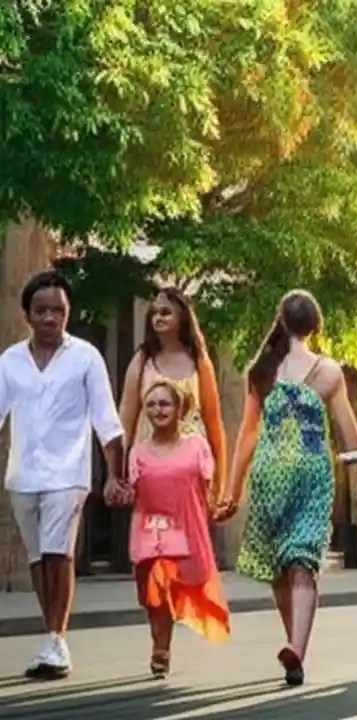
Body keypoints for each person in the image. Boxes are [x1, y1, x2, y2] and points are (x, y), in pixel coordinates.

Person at [213, 290, 357, 686]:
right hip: (310, 476)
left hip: (270, 476)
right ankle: (296, 647)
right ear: (316, 326)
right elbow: (351, 441)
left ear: (280, 321)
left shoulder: (263, 370)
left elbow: (248, 438)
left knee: (282, 567)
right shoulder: (328, 373)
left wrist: (232, 491)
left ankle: (295, 649)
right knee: (302, 563)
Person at [0, 270, 125, 680]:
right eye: (42, 311)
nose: (51, 318)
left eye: (59, 310)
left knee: (59, 554)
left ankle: (57, 638)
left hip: (68, 473)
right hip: (23, 474)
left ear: (68, 313)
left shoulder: (86, 357)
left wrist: (113, 475)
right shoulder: (10, 361)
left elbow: (106, 421)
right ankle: (49, 633)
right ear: (28, 315)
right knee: (38, 558)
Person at [110, 380, 230, 677]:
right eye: (151, 404)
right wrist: (122, 496)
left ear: (179, 408)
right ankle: (160, 647)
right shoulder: (137, 451)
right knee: (156, 593)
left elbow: (208, 489)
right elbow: (131, 492)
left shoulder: (196, 446)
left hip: (186, 531)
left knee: (177, 589)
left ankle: (163, 645)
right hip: (150, 531)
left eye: (164, 404)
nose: (157, 410)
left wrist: (216, 507)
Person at [118, 287, 227, 509]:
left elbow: (214, 423)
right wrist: (119, 475)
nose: (158, 317)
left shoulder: (198, 362)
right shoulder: (142, 361)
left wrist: (220, 483)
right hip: (150, 464)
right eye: (154, 313)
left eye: (165, 312)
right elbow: (125, 422)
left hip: (192, 466)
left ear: (182, 317)